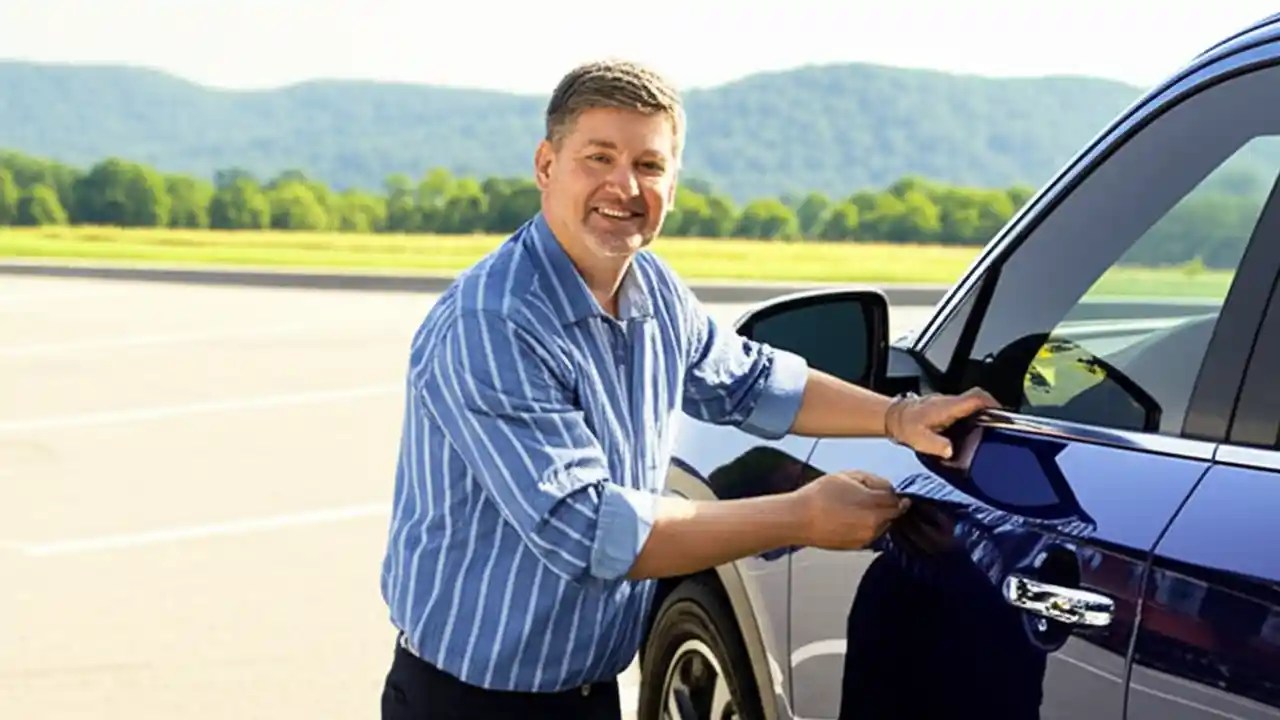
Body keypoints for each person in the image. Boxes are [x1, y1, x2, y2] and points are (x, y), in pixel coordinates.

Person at [377, 58, 999, 720]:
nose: (624, 186)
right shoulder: (494, 323)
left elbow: (756, 384)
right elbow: (592, 533)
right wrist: (801, 516)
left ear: (672, 183)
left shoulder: (653, 290)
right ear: (546, 165)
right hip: (468, 702)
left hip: (583, 696)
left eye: (649, 165)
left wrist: (900, 418)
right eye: (599, 157)